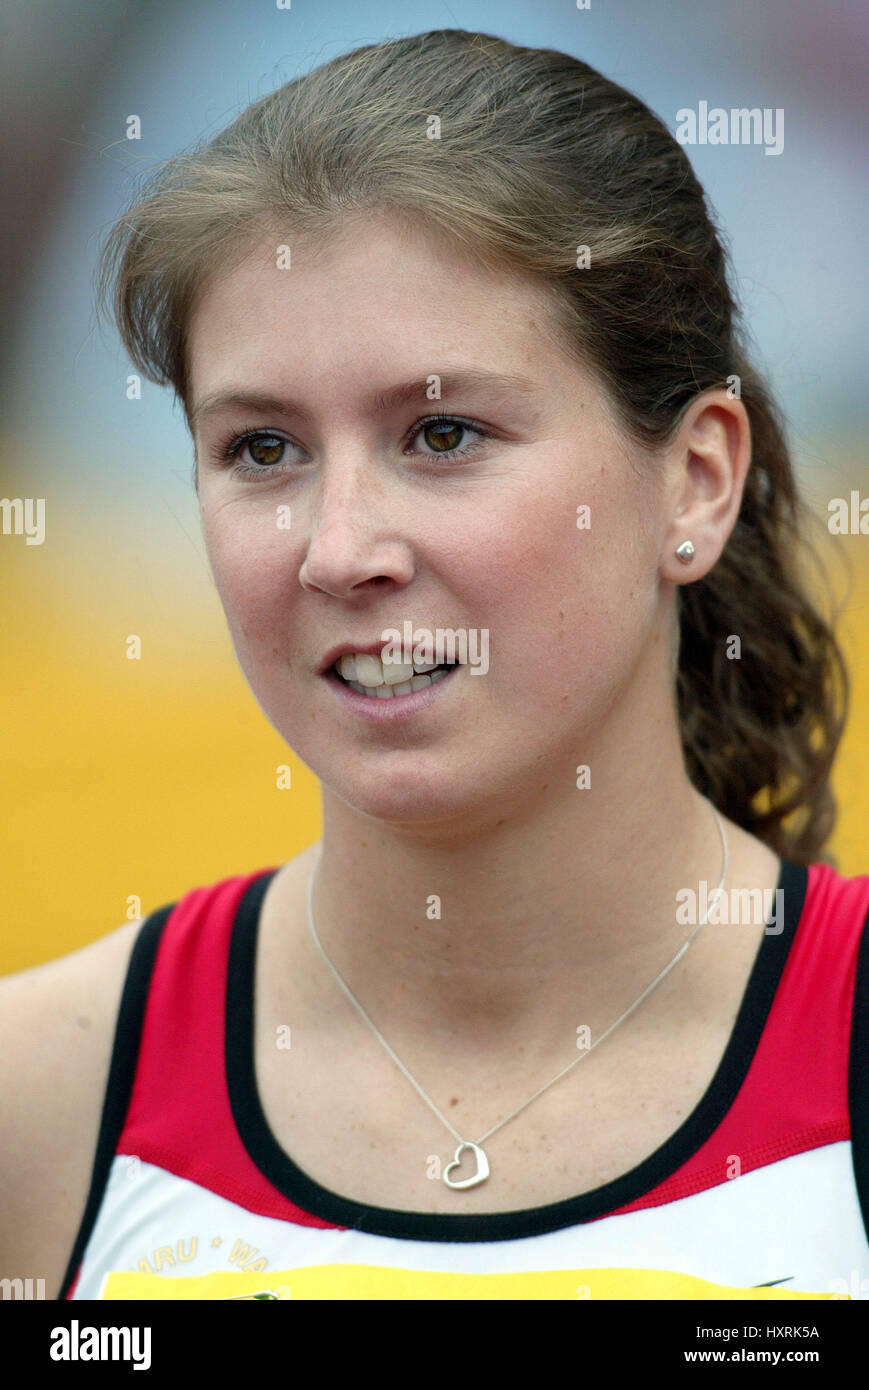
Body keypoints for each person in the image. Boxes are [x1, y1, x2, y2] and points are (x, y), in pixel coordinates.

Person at [2, 29, 867, 1303]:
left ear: (694, 480)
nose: (339, 550)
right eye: (260, 451)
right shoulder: (44, 1100)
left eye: (441, 432)